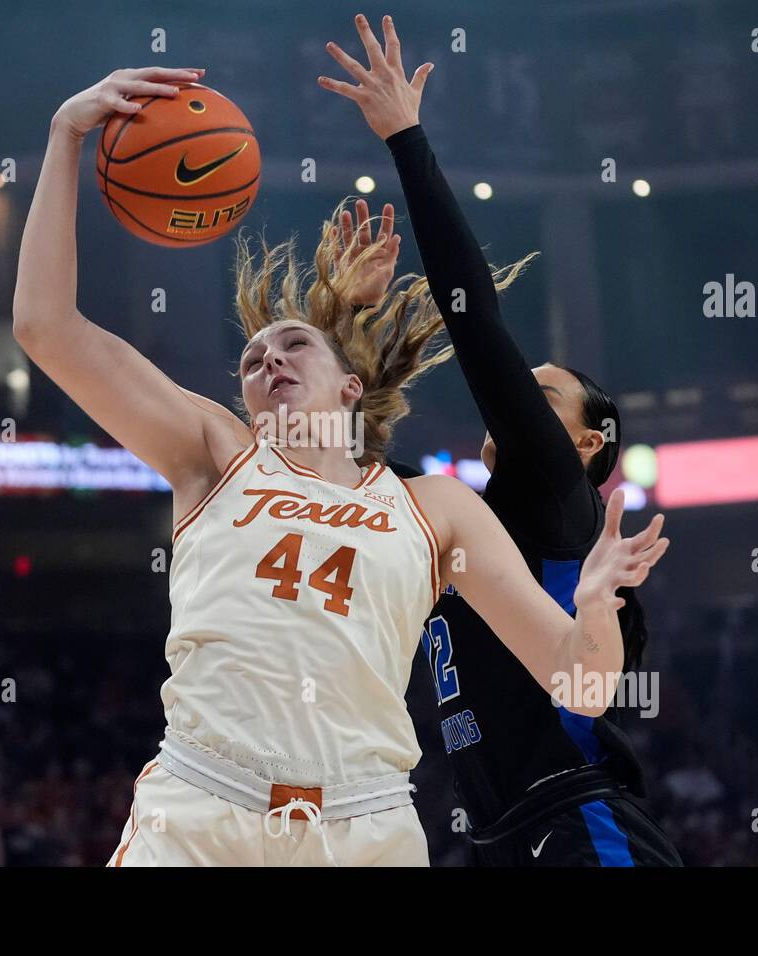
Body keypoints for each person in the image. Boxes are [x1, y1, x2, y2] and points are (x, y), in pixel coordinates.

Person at [14, 66, 669, 866]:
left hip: (364, 829)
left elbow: (581, 685)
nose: (268, 360)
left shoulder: (436, 507)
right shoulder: (216, 452)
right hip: (201, 808)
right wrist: (66, 134)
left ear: (350, 386)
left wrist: (595, 609)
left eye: (293, 346)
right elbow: (45, 325)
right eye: (253, 359)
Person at [320, 12, 682, 865]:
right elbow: (331, 452)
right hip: (496, 836)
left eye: (543, 391)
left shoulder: (557, 496)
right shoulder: (451, 518)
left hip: (577, 821)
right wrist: (343, 313)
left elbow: (473, 321)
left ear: (589, 442)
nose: (520, 397)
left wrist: (407, 140)